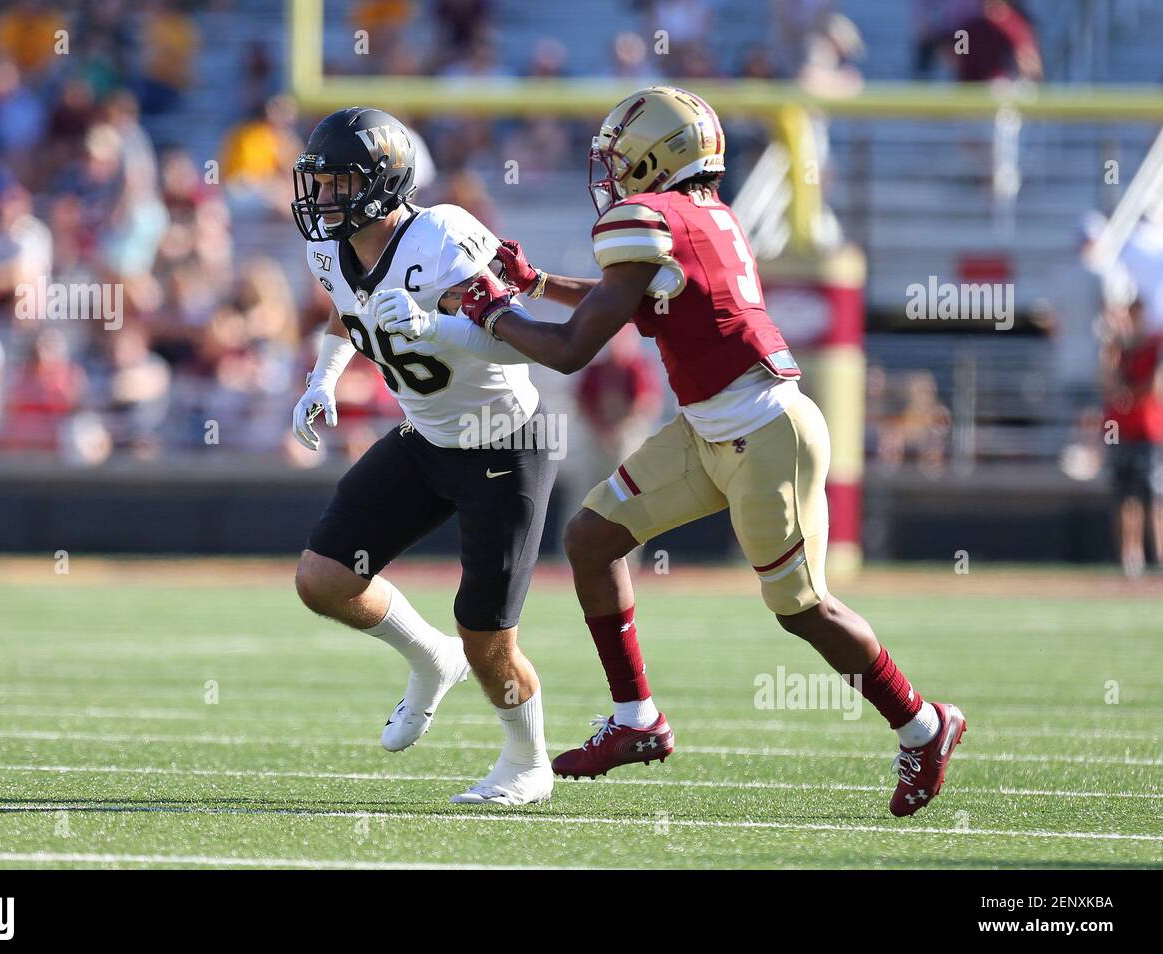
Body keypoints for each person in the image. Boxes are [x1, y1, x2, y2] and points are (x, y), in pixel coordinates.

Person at [405, 86, 966, 817]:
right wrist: (537, 285)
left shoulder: (649, 217)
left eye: (619, 155)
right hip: (712, 427)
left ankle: (924, 725)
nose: (610, 171)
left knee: (803, 608)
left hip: (765, 433)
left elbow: (574, 352)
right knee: (592, 537)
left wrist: (491, 310)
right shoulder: (698, 215)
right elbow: (630, 298)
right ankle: (637, 719)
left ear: (653, 155)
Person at [289, 108, 558, 805]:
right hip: (428, 434)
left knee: (487, 637)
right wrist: (323, 378)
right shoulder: (331, 248)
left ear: (382, 182)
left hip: (505, 444)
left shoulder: (441, 237)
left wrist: (437, 325)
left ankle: (529, 763)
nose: (321, 199)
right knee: (323, 578)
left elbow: (521, 338)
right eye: (317, 183)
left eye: (337, 182)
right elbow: (344, 309)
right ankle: (427, 656)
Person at [1102, 299, 1163, 577]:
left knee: (1154, 494)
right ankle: (1131, 555)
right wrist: (1112, 348)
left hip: (1149, 431)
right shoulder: (1119, 348)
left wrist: (1128, 391)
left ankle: (1159, 554)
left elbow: (1154, 386)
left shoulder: (1154, 346)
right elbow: (1106, 383)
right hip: (1120, 430)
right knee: (1125, 496)